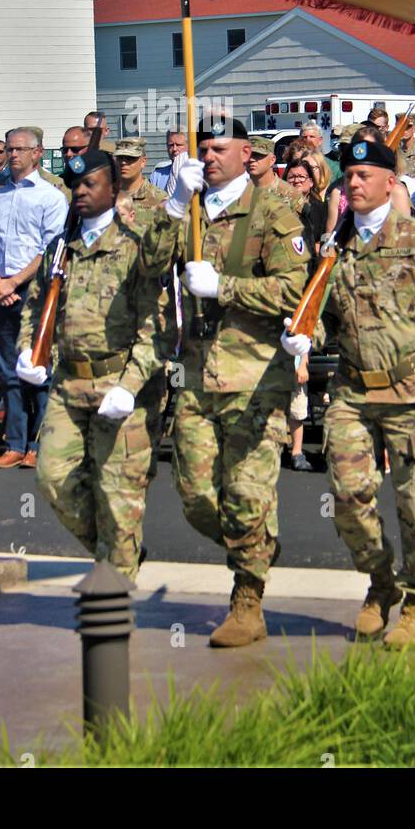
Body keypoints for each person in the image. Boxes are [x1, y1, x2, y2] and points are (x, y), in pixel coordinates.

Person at [139, 115, 309, 647]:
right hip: (195, 376)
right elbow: (144, 266)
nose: (208, 157)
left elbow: (295, 293)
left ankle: (247, 600)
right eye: (202, 149)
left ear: (246, 155)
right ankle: (255, 543)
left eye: (218, 149)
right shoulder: (186, 210)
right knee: (194, 496)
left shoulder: (272, 214)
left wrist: (225, 288)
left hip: (254, 376)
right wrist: (170, 205)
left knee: (244, 492)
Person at [306, 134, 415, 648]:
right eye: (348, 177)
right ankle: (381, 582)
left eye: (363, 176)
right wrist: (301, 336)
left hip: (411, 391)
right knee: (348, 494)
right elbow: (325, 317)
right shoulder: (337, 246)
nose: (352, 183)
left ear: (387, 183)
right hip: (353, 391)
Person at [16, 150, 163, 579]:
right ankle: (120, 551)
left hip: (118, 383)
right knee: (53, 477)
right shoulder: (61, 247)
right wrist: (28, 349)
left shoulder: (136, 246)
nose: (79, 191)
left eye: (89, 184)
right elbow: (35, 307)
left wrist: (131, 385)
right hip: (68, 384)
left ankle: (116, 587)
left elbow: (157, 325)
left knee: (118, 493)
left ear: (113, 188)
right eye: (75, 185)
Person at [0, 127, 68, 468]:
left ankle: (38, 444)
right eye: (9, 149)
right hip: (2, 292)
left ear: (37, 153)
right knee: (10, 373)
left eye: (19, 149)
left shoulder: (50, 197)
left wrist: (14, 282)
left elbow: (51, 249)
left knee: (39, 370)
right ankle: (15, 444)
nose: (12, 155)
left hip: (35, 291)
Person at [251, 143, 314, 475]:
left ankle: (294, 447)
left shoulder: (291, 196)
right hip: (252, 289)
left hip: (286, 286)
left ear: (272, 161)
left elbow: (307, 238)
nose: (251, 162)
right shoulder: (240, 195)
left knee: (292, 377)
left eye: (258, 157)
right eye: (248, 156)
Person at [114, 138, 166, 229]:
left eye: (130, 158)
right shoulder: (107, 197)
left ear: (143, 162)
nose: (123, 162)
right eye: (120, 158)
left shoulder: (159, 199)